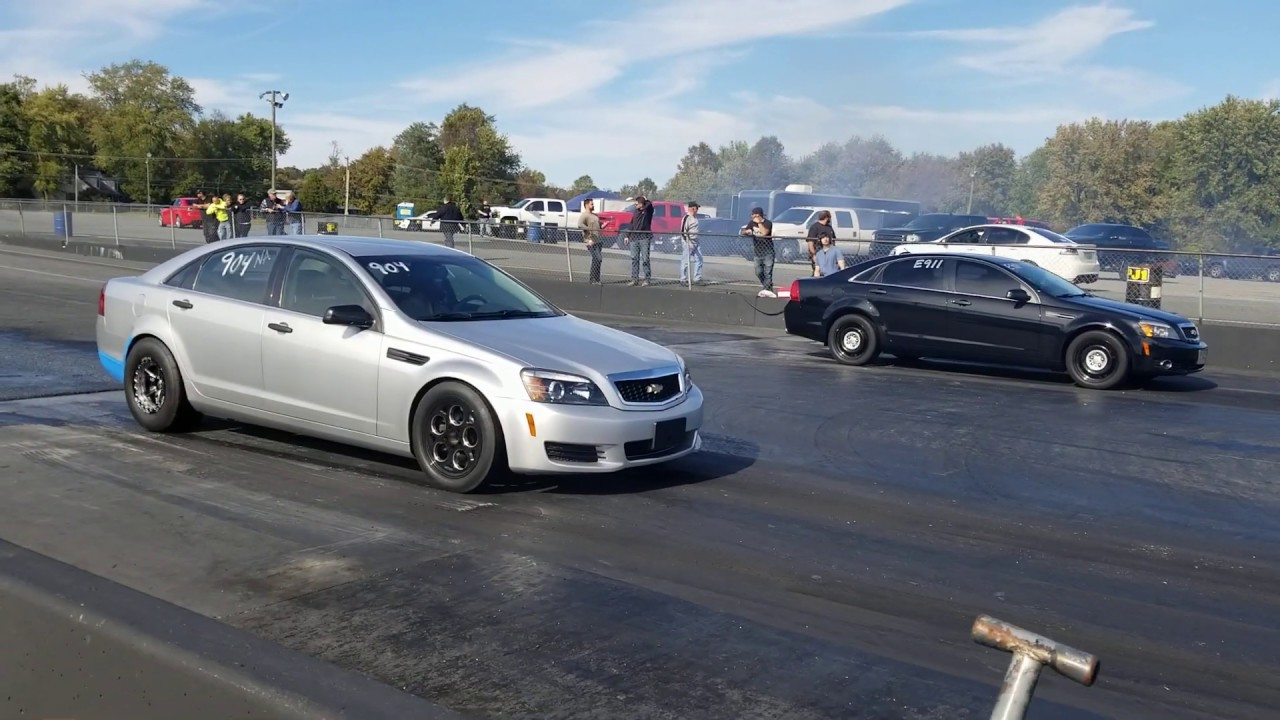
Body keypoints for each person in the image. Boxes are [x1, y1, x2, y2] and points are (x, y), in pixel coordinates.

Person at [741, 206, 775, 297]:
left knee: (768, 273)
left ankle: (767, 290)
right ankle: (767, 286)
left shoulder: (768, 223)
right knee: (758, 271)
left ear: (759, 215)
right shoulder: (751, 223)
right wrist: (746, 232)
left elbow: (764, 233)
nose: (752, 216)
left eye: (754, 214)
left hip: (768, 252)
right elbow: (743, 232)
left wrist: (759, 223)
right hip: (757, 252)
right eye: (752, 214)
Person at [626, 195, 655, 286]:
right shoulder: (635, 212)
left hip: (644, 238)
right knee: (635, 259)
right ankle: (635, 279)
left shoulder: (647, 211)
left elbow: (650, 205)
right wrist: (627, 235)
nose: (635, 205)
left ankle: (647, 279)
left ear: (641, 204)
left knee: (645, 259)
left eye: (637, 203)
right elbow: (631, 224)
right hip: (634, 238)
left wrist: (645, 199)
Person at [578, 197, 604, 283]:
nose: (593, 205)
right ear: (587, 205)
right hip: (590, 241)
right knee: (598, 258)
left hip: (598, 240)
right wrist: (588, 229)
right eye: (591, 204)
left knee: (597, 259)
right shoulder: (584, 215)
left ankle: (596, 279)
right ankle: (592, 278)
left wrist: (603, 226)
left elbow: (599, 226)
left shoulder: (595, 215)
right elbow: (580, 224)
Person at [679, 201, 703, 284]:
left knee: (699, 259)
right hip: (688, 241)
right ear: (693, 208)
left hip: (696, 240)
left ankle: (697, 278)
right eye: (696, 208)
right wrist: (687, 241)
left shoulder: (695, 218)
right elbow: (683, 231)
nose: (697, 210)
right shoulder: (687, 218)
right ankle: (683, 278)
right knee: (686, 260)